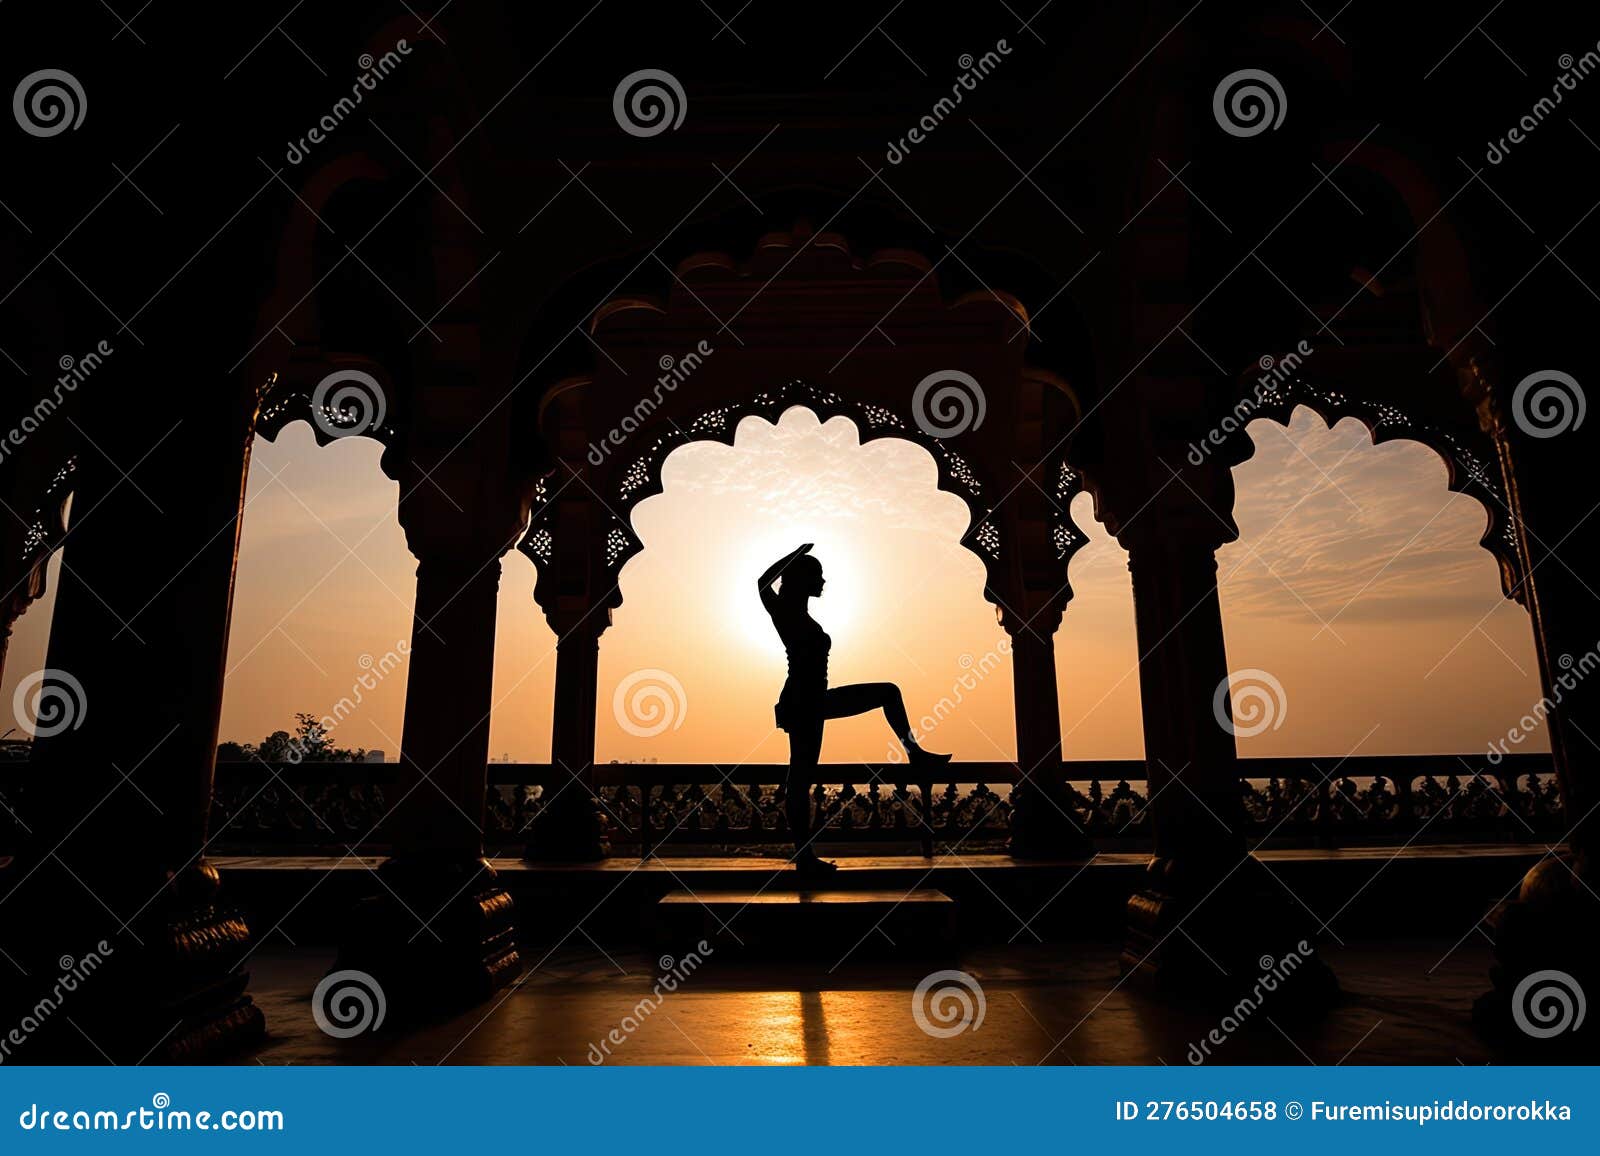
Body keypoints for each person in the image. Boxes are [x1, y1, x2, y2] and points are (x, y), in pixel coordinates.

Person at [758, 543, 950, 874]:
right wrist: (793, 556)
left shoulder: (800, 615)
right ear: (802, 579)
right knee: (800, 776)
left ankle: (915, 753)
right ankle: (804, 856)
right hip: (804, 702)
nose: (823, 581)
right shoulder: (786, 612)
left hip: (814, 699)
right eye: (817, 575)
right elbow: (761, 583)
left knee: (888, 693)